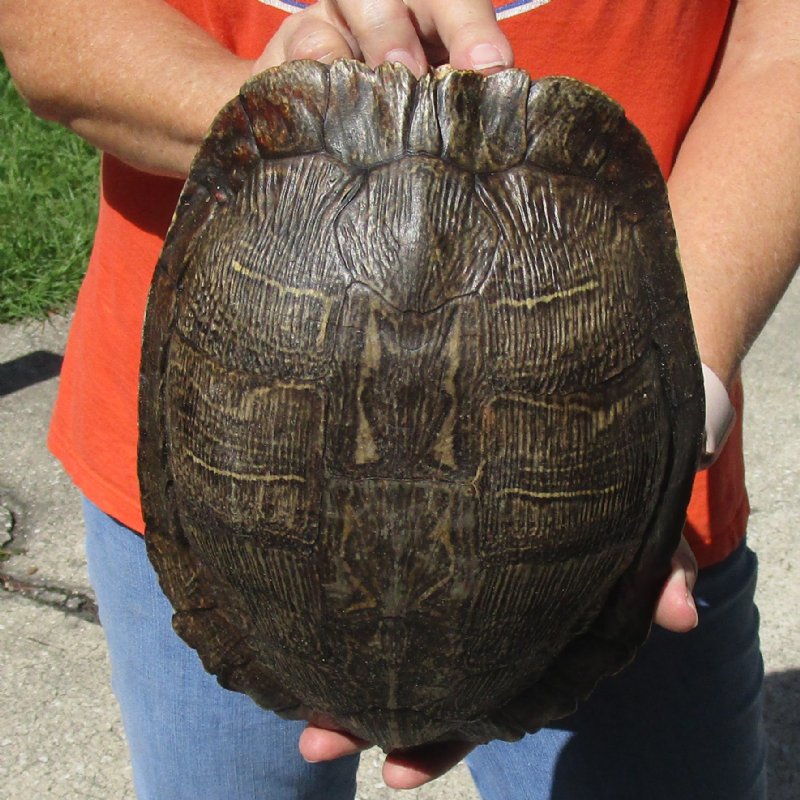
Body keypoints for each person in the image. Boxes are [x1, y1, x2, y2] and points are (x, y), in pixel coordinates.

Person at [1, 0, 798, 797]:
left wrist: (690, 371)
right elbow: (46, 30)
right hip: (236, 495)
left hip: (594, 512)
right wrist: (268, 115)